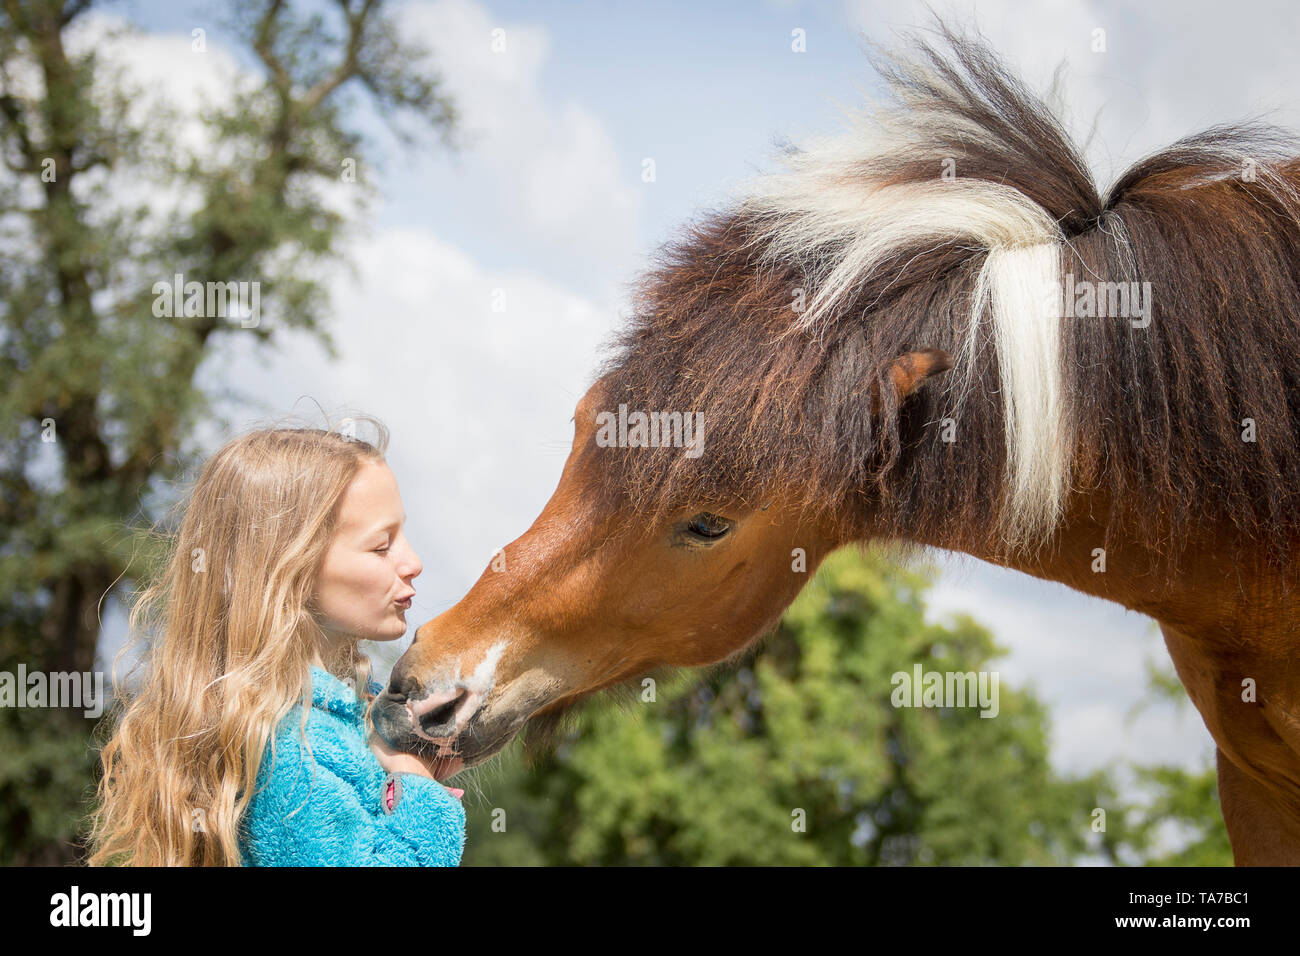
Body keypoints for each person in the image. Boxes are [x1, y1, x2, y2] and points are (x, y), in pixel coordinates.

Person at [86, 420, 466, 866]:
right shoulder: (290, 756)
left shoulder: (304, 725)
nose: (413, 562)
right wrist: (419, 790)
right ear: (292, 569)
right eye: (381, 547)